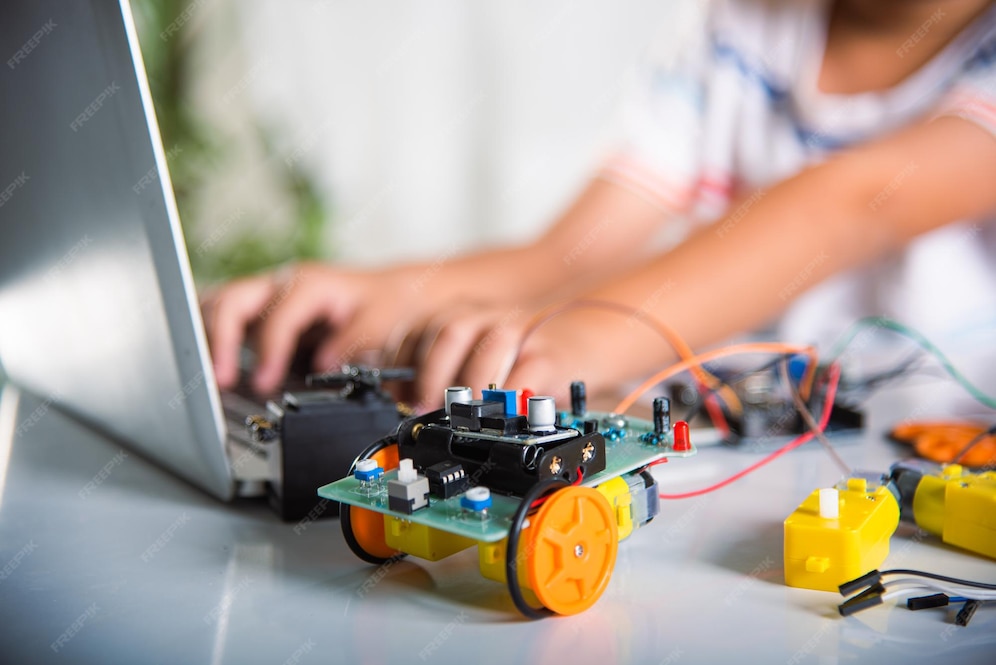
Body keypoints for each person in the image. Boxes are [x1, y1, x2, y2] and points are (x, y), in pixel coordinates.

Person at [202, 0, 996, 409]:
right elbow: (572, 255)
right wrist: (384, 293)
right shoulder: (740, 25)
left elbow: (857, 202)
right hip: (753, 457)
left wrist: (579, 339)